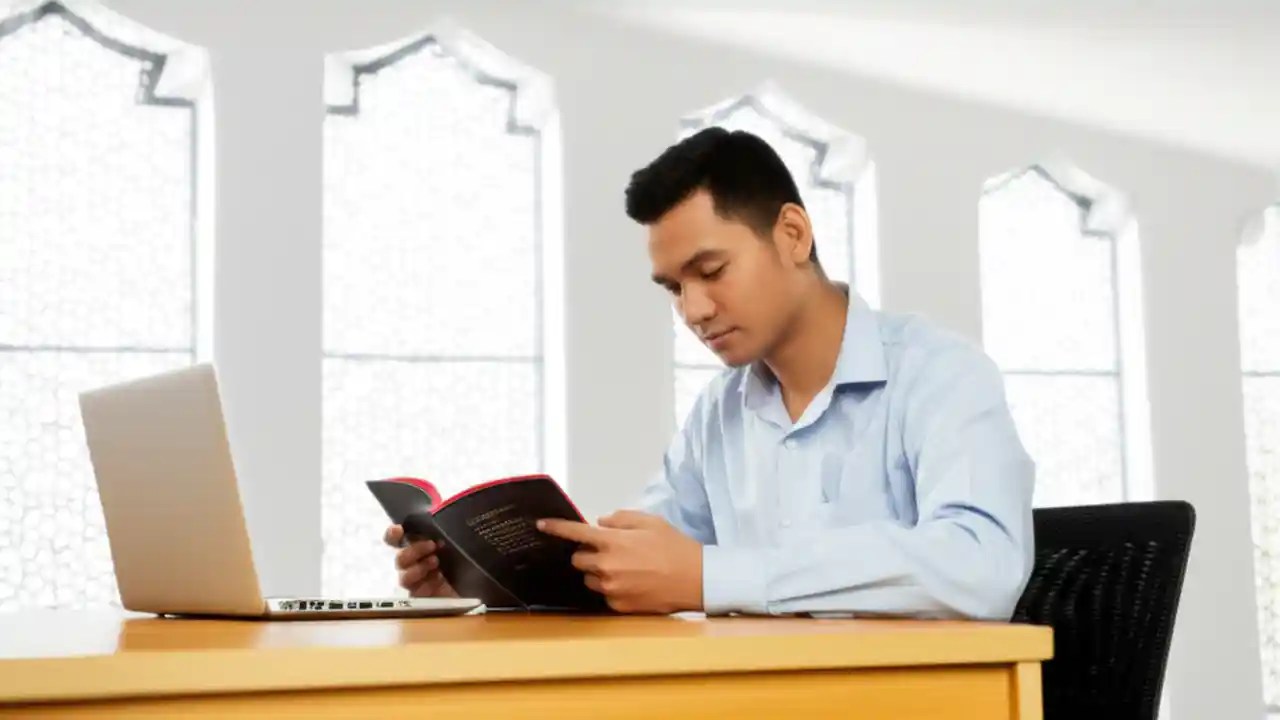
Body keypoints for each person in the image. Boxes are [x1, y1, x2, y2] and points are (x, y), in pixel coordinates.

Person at [385, 127, 1035, 618]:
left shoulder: (941, 373)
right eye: (674, 287)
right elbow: (639, 568)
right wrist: (477, 585)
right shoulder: (719, 413)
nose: (693, 310)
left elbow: (982, 566)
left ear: (793, 234)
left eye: (712, 271)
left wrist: (710, 577)